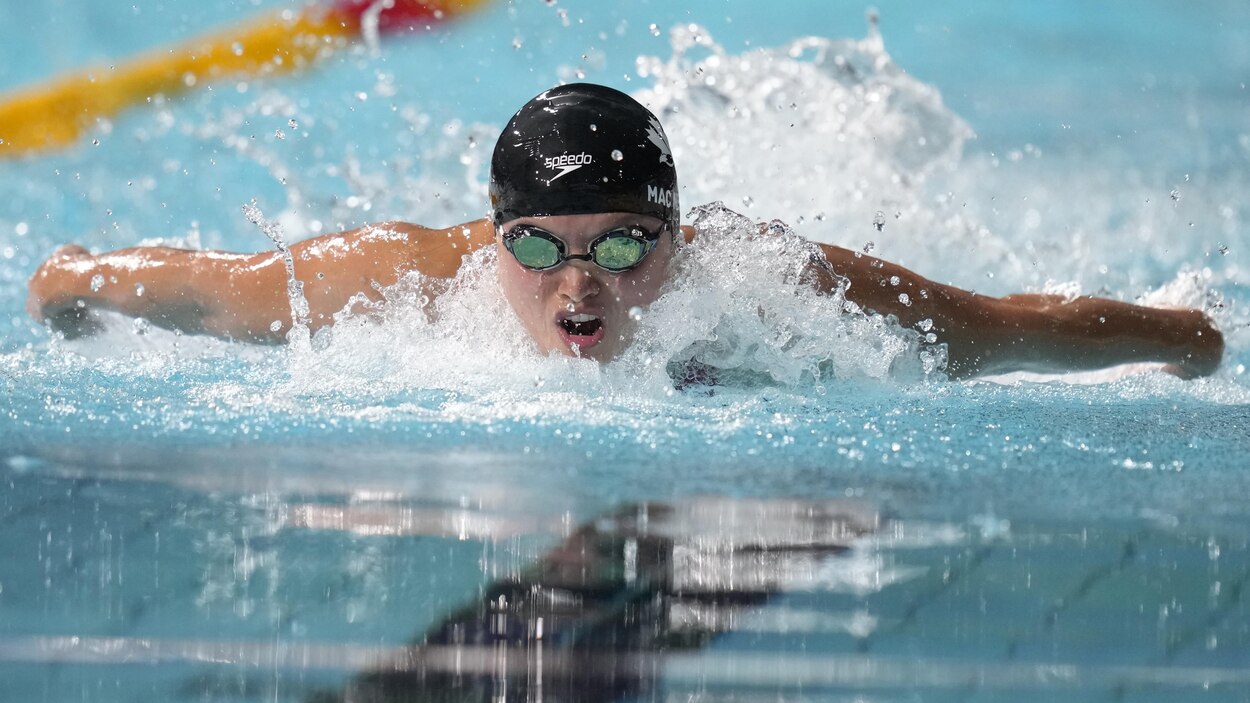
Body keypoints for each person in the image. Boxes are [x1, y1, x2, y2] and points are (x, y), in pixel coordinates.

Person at [26, 83, 1223, 380]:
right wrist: (71, 283)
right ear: (493, 242)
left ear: (677, 238)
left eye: (620, 245)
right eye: (539, 248)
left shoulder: (770, 284)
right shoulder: (392, 286)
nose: (578, 286)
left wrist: (1189, 340)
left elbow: (997, 330)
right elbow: (199, 287)